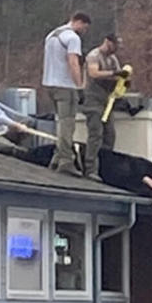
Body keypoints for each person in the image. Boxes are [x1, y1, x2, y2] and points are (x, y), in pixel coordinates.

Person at [42, 12, 92, 176]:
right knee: (67, 123)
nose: (84, 31)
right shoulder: (72, 38)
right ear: (79, 22)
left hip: (50, 84)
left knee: (60, 121)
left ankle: (56, 158)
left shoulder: (52, 35)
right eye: (84, 27)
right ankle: (66, 160)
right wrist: (79, 86)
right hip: (65, 86)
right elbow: (73, 62)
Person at [82, 33, 127, 181]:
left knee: (110, 135)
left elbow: (118, 77)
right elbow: (94, 73)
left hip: (107, 102)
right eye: (114, 46)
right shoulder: (94, 55)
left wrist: (123, 81)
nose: (115, 50)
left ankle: (106, 167)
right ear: (107, 42)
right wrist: (114, 73)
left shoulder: (113, 59)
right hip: (93, 100)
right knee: (96, 134)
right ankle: (90, 169)